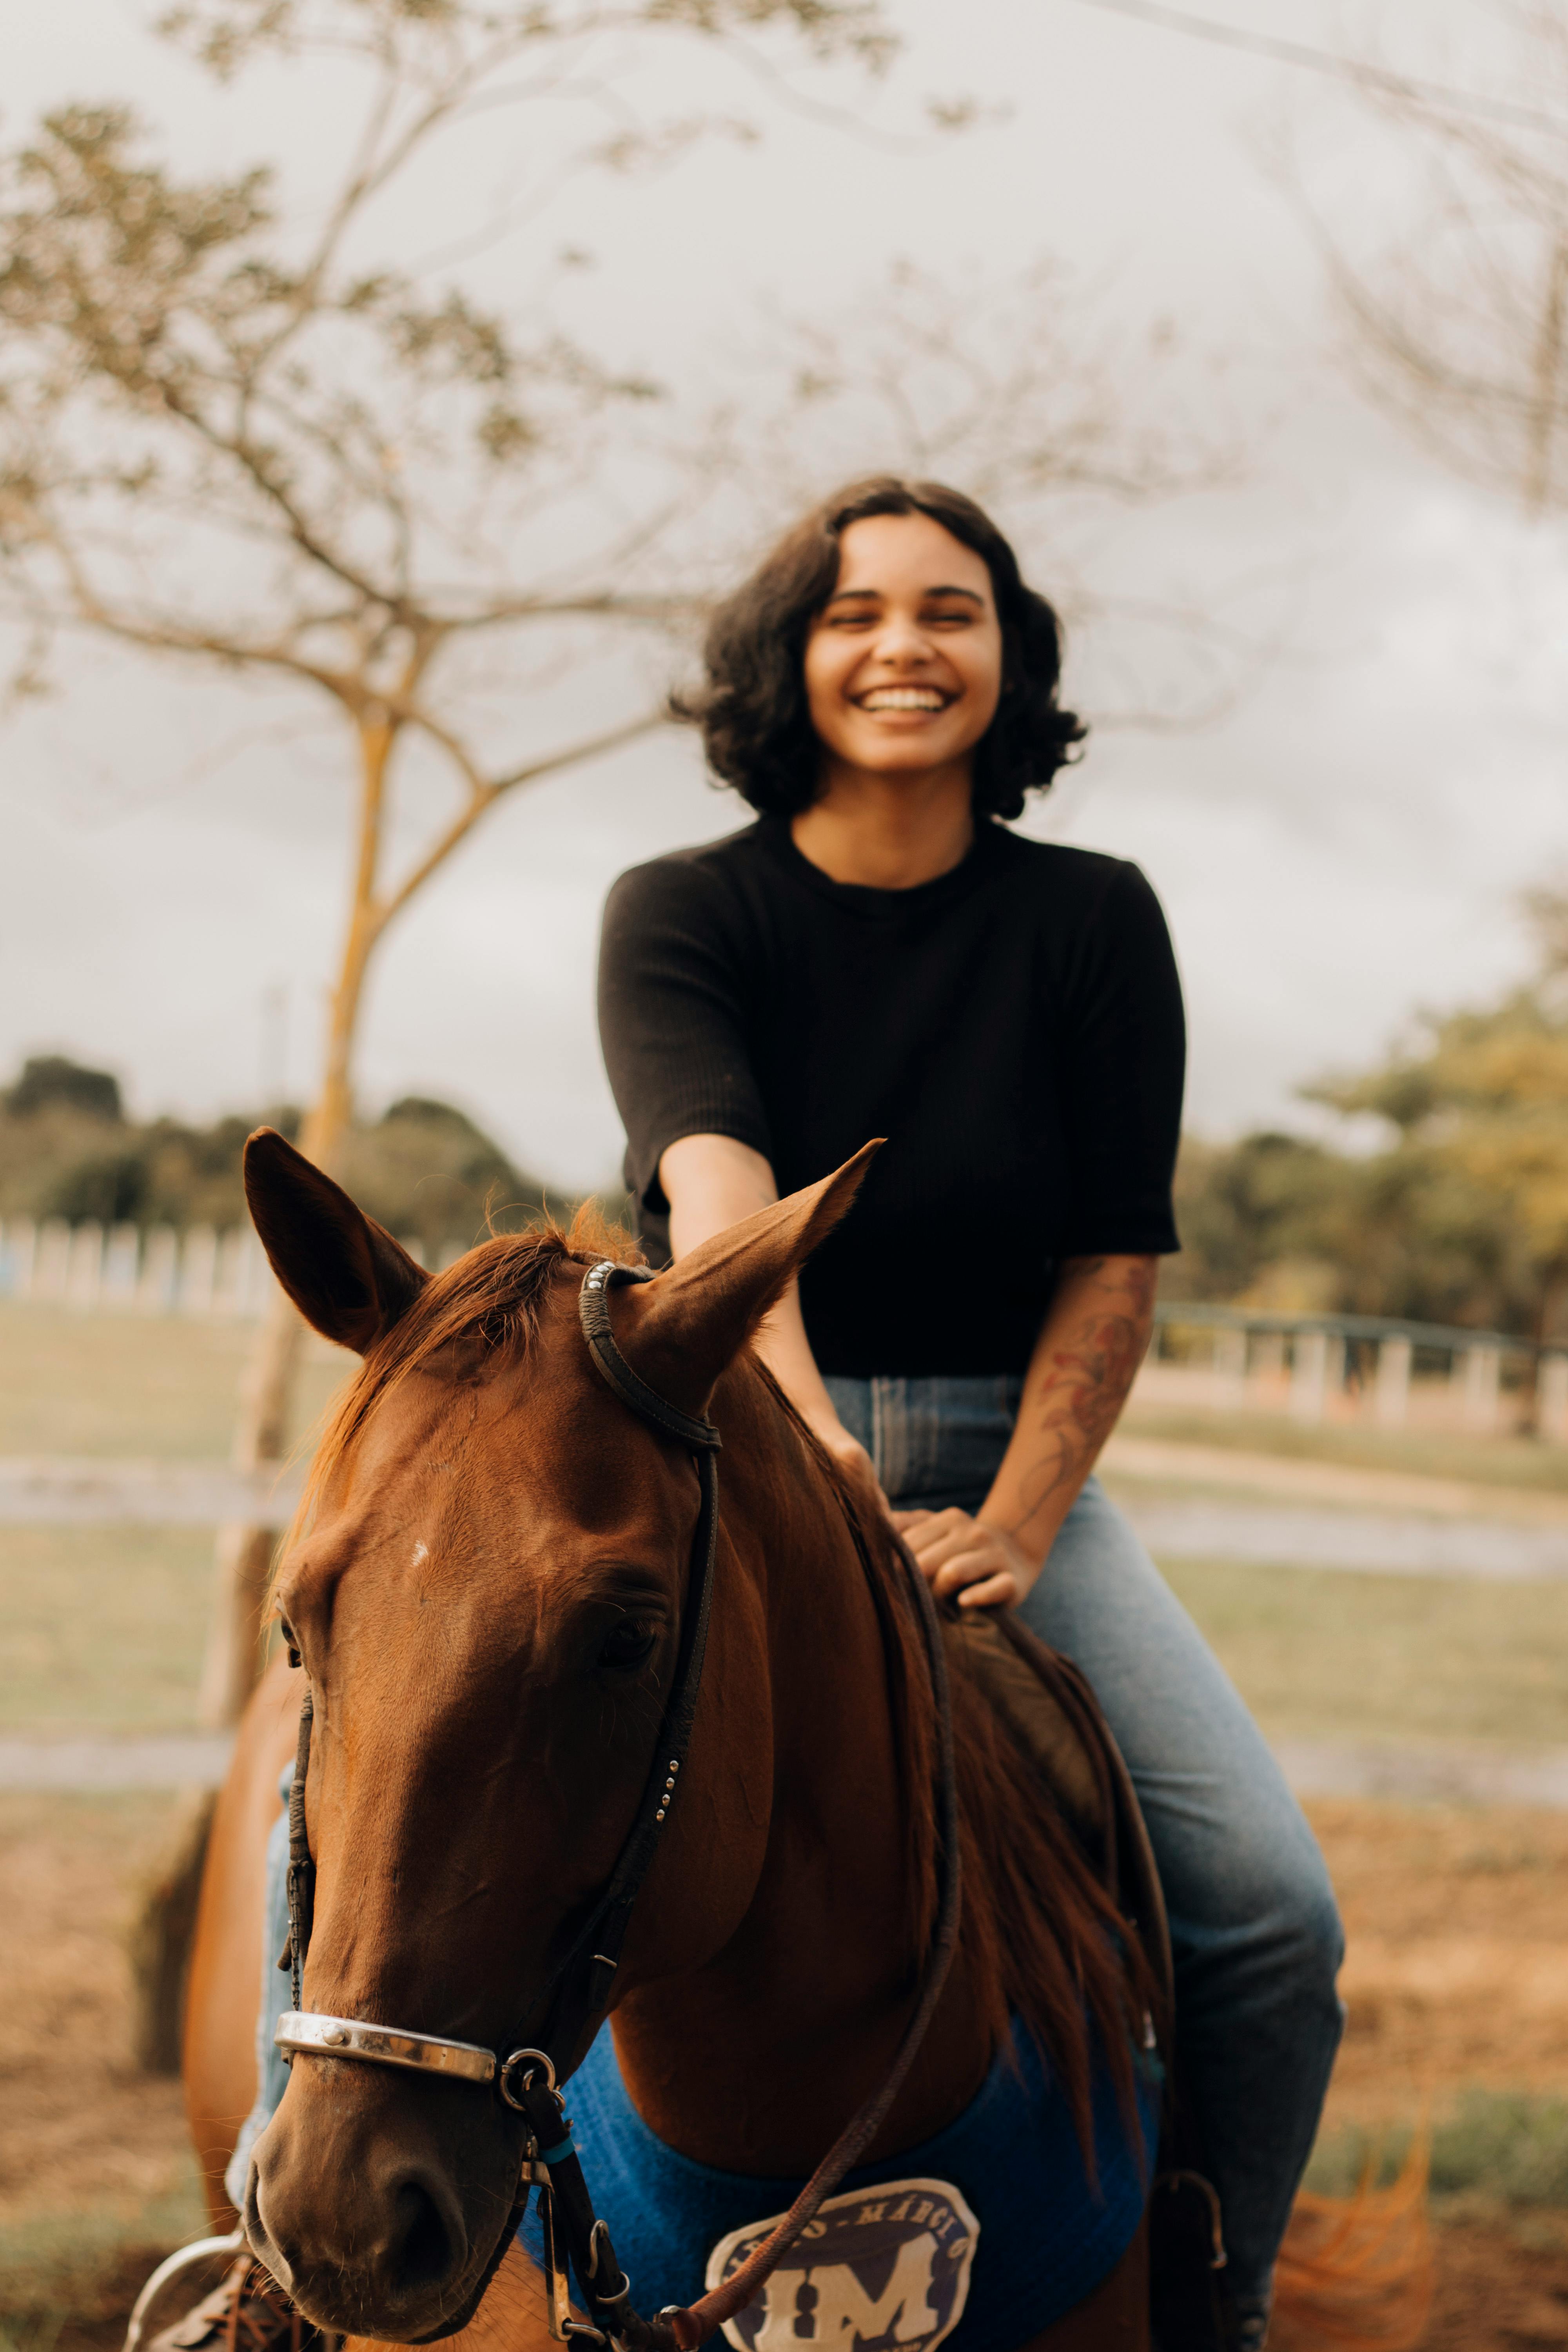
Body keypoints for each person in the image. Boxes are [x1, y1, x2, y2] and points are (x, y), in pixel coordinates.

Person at [595, 477, 1344, 2352]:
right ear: (792, 654)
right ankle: (288, 2249)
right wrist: (813, 1460)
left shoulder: (1093, 923)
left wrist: (1016, 1517)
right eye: (853, 612)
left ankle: (1213, 2307)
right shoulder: (682, 912)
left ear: (1007, 658)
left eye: (950, 609)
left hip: (1016, 1469)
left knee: (1268, 1917)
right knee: (430, 1780)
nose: (902, 645)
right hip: (734, 1441)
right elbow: (715, 1206)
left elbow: (1113, 1256)